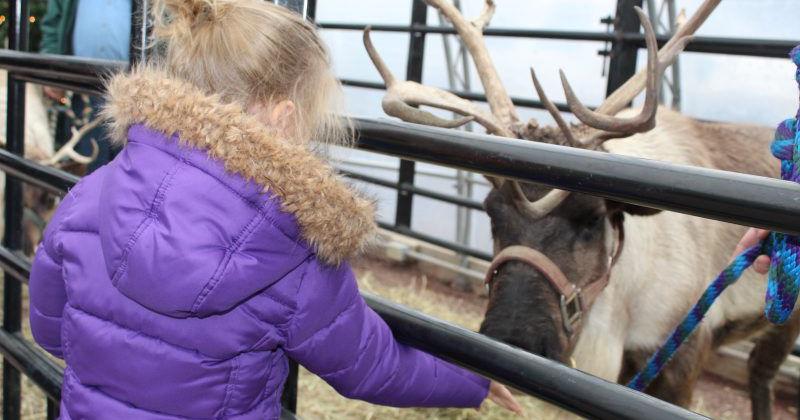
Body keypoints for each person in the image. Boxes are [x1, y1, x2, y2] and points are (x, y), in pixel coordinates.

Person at [28, 1, 522, 418]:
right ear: (284, 120)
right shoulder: (288, 248)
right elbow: (371, 367)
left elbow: (50, 329)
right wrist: (472, 380)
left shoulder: (89, 195)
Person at [39, 0, 132, 172]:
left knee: (130, 168)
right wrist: (52, 71)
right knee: (86, 165)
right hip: (83, 89)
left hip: (134, 91)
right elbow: (53, 25)